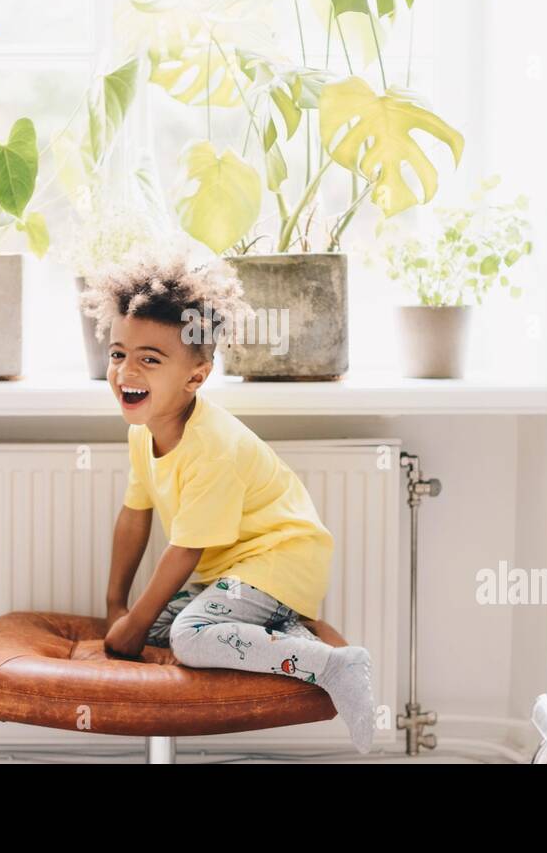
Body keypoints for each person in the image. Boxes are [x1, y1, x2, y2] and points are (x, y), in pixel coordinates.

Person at [79, 245, 376, 753]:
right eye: (118, 354)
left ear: (195, 376)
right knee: (157, 630)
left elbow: (185, 551)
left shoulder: (212, 448)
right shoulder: (143, 430)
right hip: (232, 574)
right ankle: (288, 630)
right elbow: (135, 516)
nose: (126, 372)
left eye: (149, 360)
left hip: (280, 560)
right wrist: (116, 607)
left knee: (188, 637)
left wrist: (132, 627)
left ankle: (333, 662)